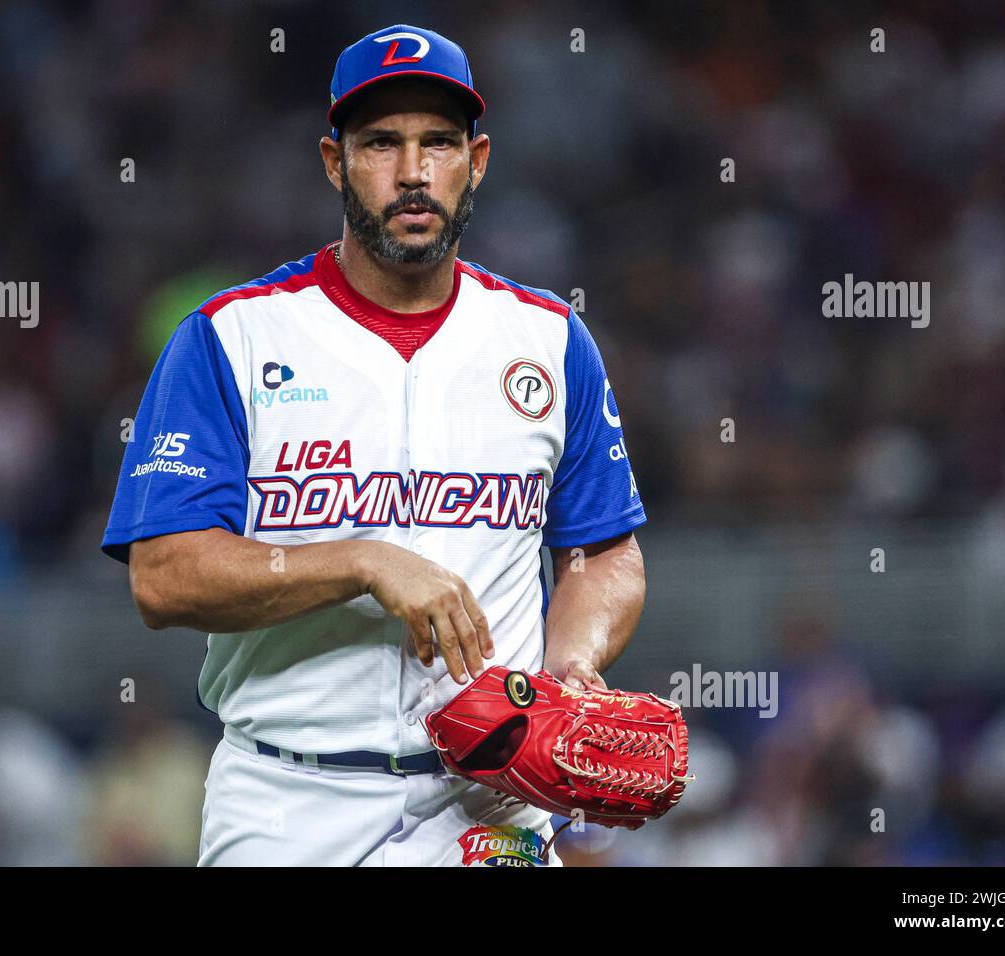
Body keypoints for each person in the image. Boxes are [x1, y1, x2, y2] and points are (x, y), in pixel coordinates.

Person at [102, 24, 647, 867]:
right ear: (334, 162)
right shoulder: (232, 337)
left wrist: (569, 664)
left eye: (439, 143)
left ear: (479, 159)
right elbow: (164, 576)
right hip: (288, 801)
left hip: (486, 804)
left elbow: (605, 553)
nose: (413, 172)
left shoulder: (547, 339)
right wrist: (359, 560)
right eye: (381, 144)